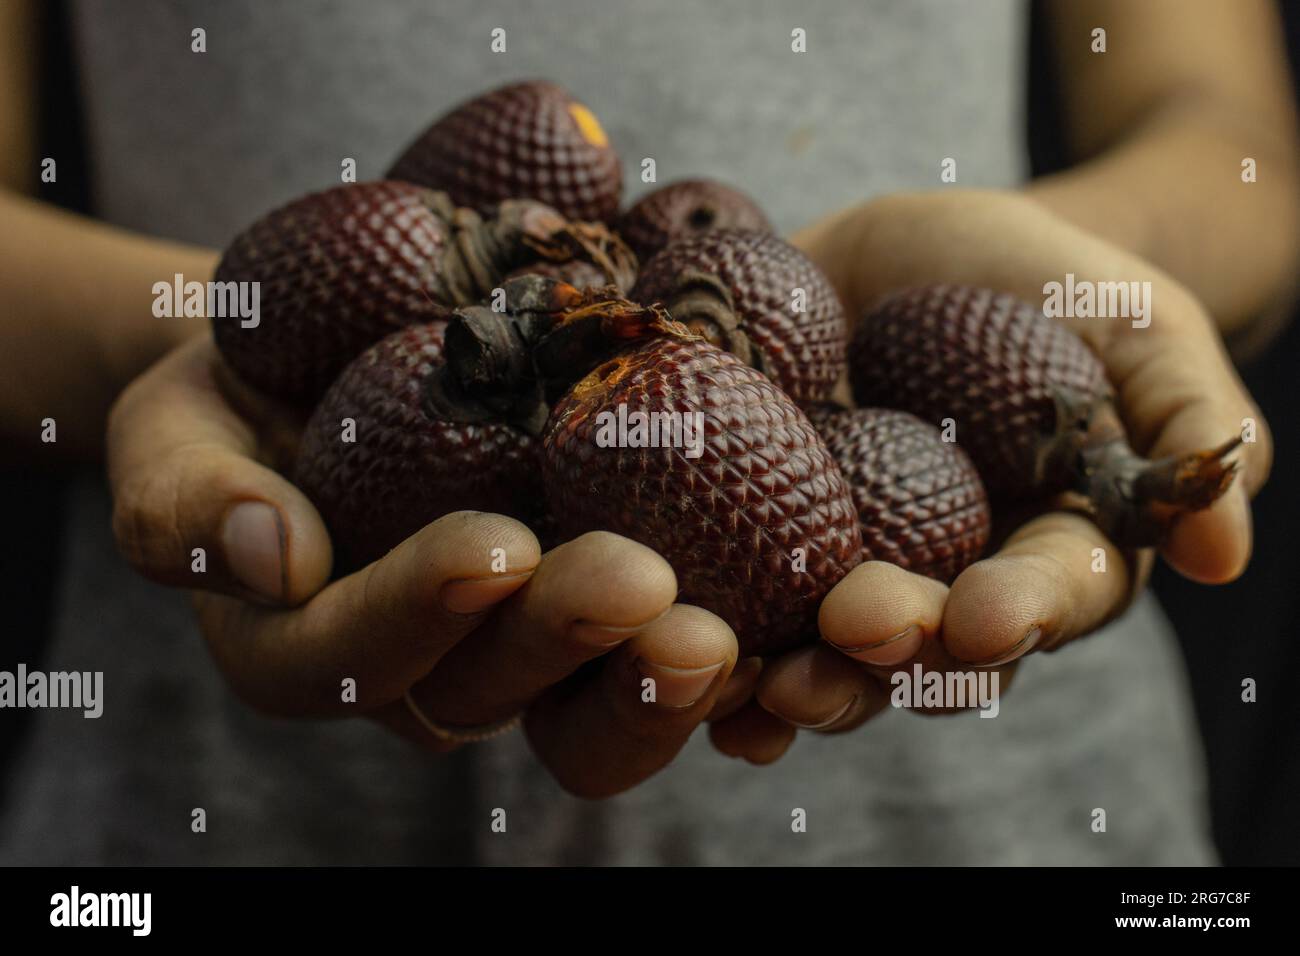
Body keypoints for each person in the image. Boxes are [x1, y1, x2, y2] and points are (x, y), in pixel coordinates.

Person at [0, 0, 1295, 865]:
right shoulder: (523, 366)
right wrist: (180, 360)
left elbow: (1233, 149)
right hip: (216, 805)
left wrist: (1055, 306)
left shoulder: (695, 365)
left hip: (1001, 813)